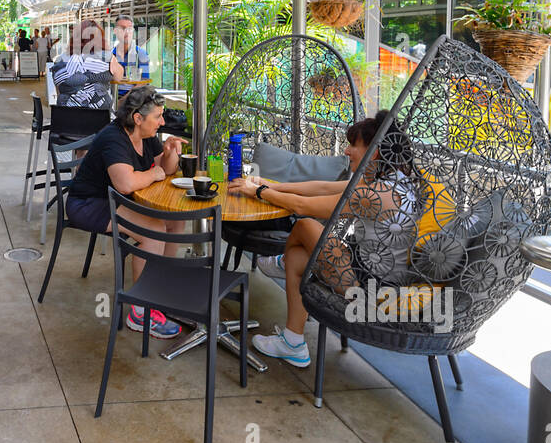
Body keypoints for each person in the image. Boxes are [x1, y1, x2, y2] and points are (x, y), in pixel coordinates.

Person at [227, 111, 419, 367]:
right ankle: (293, 342)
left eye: (353, 145)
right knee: (299, 256)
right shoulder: (392, 182)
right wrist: (270, 185)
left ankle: (284, 263)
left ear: (373, 152)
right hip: (363, 268)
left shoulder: (380, 195)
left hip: (372, 291)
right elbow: (323, 187)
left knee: (306, 226)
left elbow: (303, 207)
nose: (347, 151)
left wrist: (260, 191)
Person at [65, 86, 185, 337]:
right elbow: (126, 183)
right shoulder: (114, 137)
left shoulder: (145, 133)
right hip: (89, 203)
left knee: (175, 223)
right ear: (138, 118)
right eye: (158, 117)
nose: (162, 122)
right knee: (153, 230)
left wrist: (171, 153)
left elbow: (166, 168)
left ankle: (159, 288)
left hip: (117, 200)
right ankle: (140, 312)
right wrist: (153, 173)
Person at [49, 19, 122, 109]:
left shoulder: (59, 61)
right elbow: (118, 78)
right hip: (101, 119)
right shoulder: (107, 58)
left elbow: (59, 92)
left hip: (66, 119)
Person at [110, 15, 149, 96]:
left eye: (130, 29)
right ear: (115, 31)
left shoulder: (141, 54)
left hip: (132, 99)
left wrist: (125, 100)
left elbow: (144, 82)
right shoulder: (109, 55)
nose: (127, 32)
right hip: (111, 97)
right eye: (123, 28)